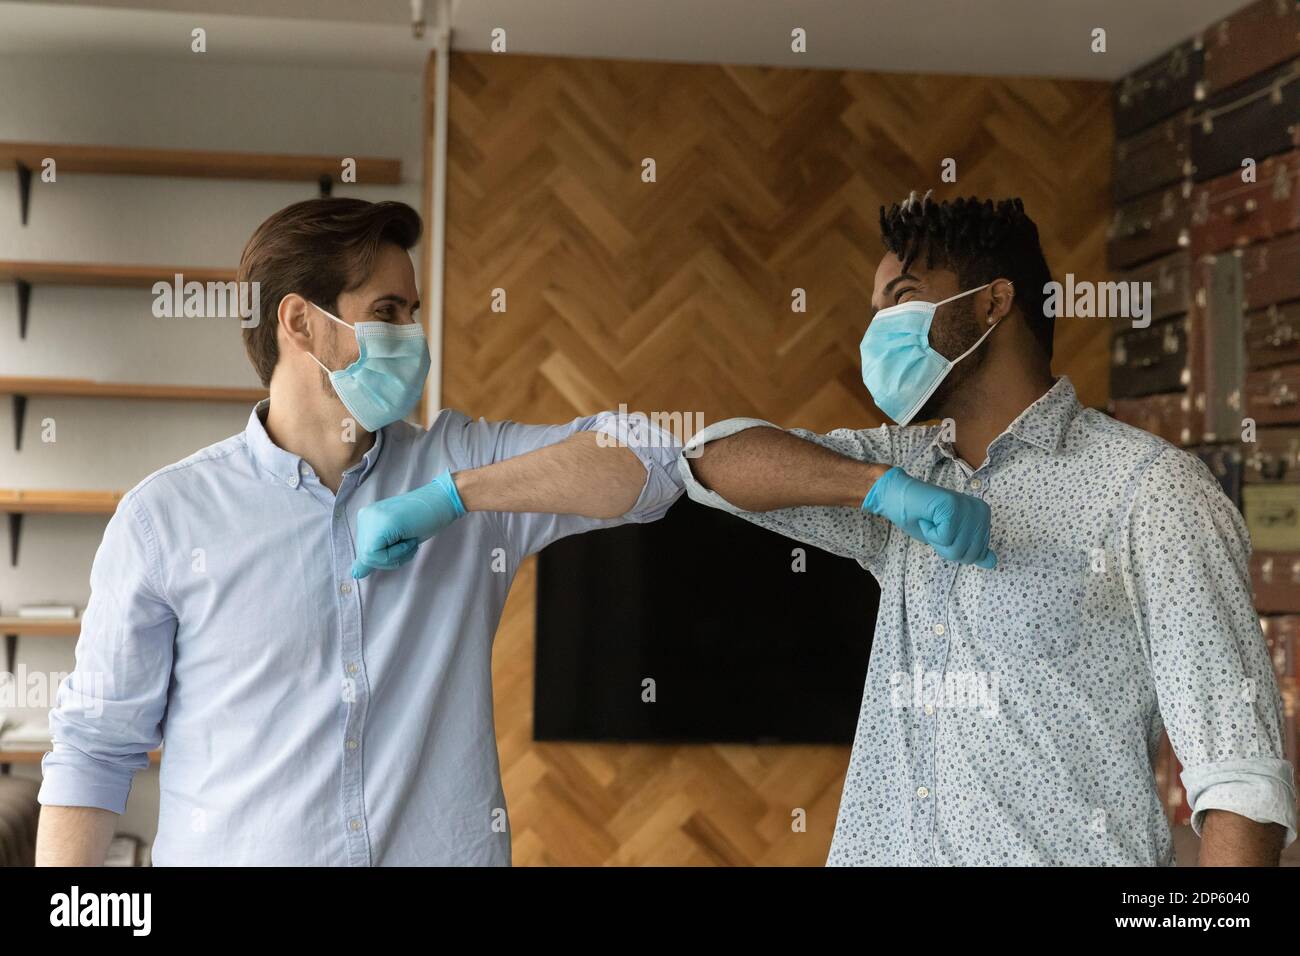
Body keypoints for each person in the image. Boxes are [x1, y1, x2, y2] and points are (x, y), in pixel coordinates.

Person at [36, 198, 683, 865]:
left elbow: (652, 461)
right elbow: (95, 748)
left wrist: (456, 495)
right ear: (300, 323)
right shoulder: (164, 519)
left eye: (412, 311)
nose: (413, 335)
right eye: (387, 311)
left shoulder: (460, 462)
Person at [678, 192, 1297, 865]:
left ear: (992, 302)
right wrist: (879, 488)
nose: (878, 328)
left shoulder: (1151, 491)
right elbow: (709, 462)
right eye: (877, 307)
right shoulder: (905, 469)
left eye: (902, 297)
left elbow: (1241, 782)